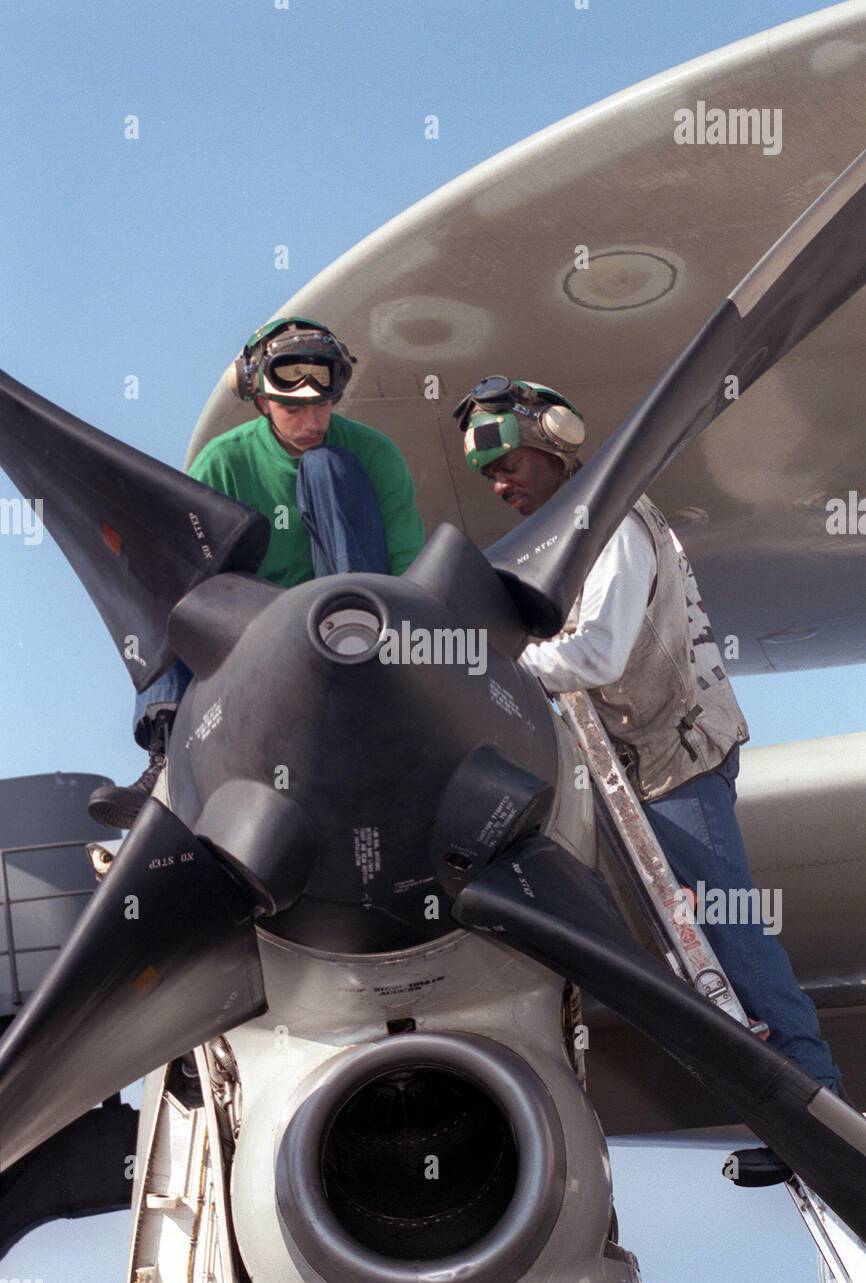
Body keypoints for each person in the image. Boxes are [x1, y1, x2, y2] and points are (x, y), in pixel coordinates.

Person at [455, 374, 846, 1185]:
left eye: (508, 460)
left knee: (730, 933)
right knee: (689, 953)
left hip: (677, 764)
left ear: (555, 440)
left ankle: (825, 1109)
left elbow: (596, 657)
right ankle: (788, 1108)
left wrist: (503, 661)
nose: (498, 482)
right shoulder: (578, 532)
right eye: (485, 470)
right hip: (643, 772)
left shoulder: (615, 530)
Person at [88, 317, 424, 829]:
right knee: (158, 580)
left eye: (322, 405)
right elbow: (185, 574)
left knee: (326, 467)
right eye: (294, 407)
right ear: (261, 400)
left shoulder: (374, 454)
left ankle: (364, 657)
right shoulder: (223, 463)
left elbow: (411, 571)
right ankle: (165, 759)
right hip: (252, 625)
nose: (312, 422)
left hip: (354, 614)